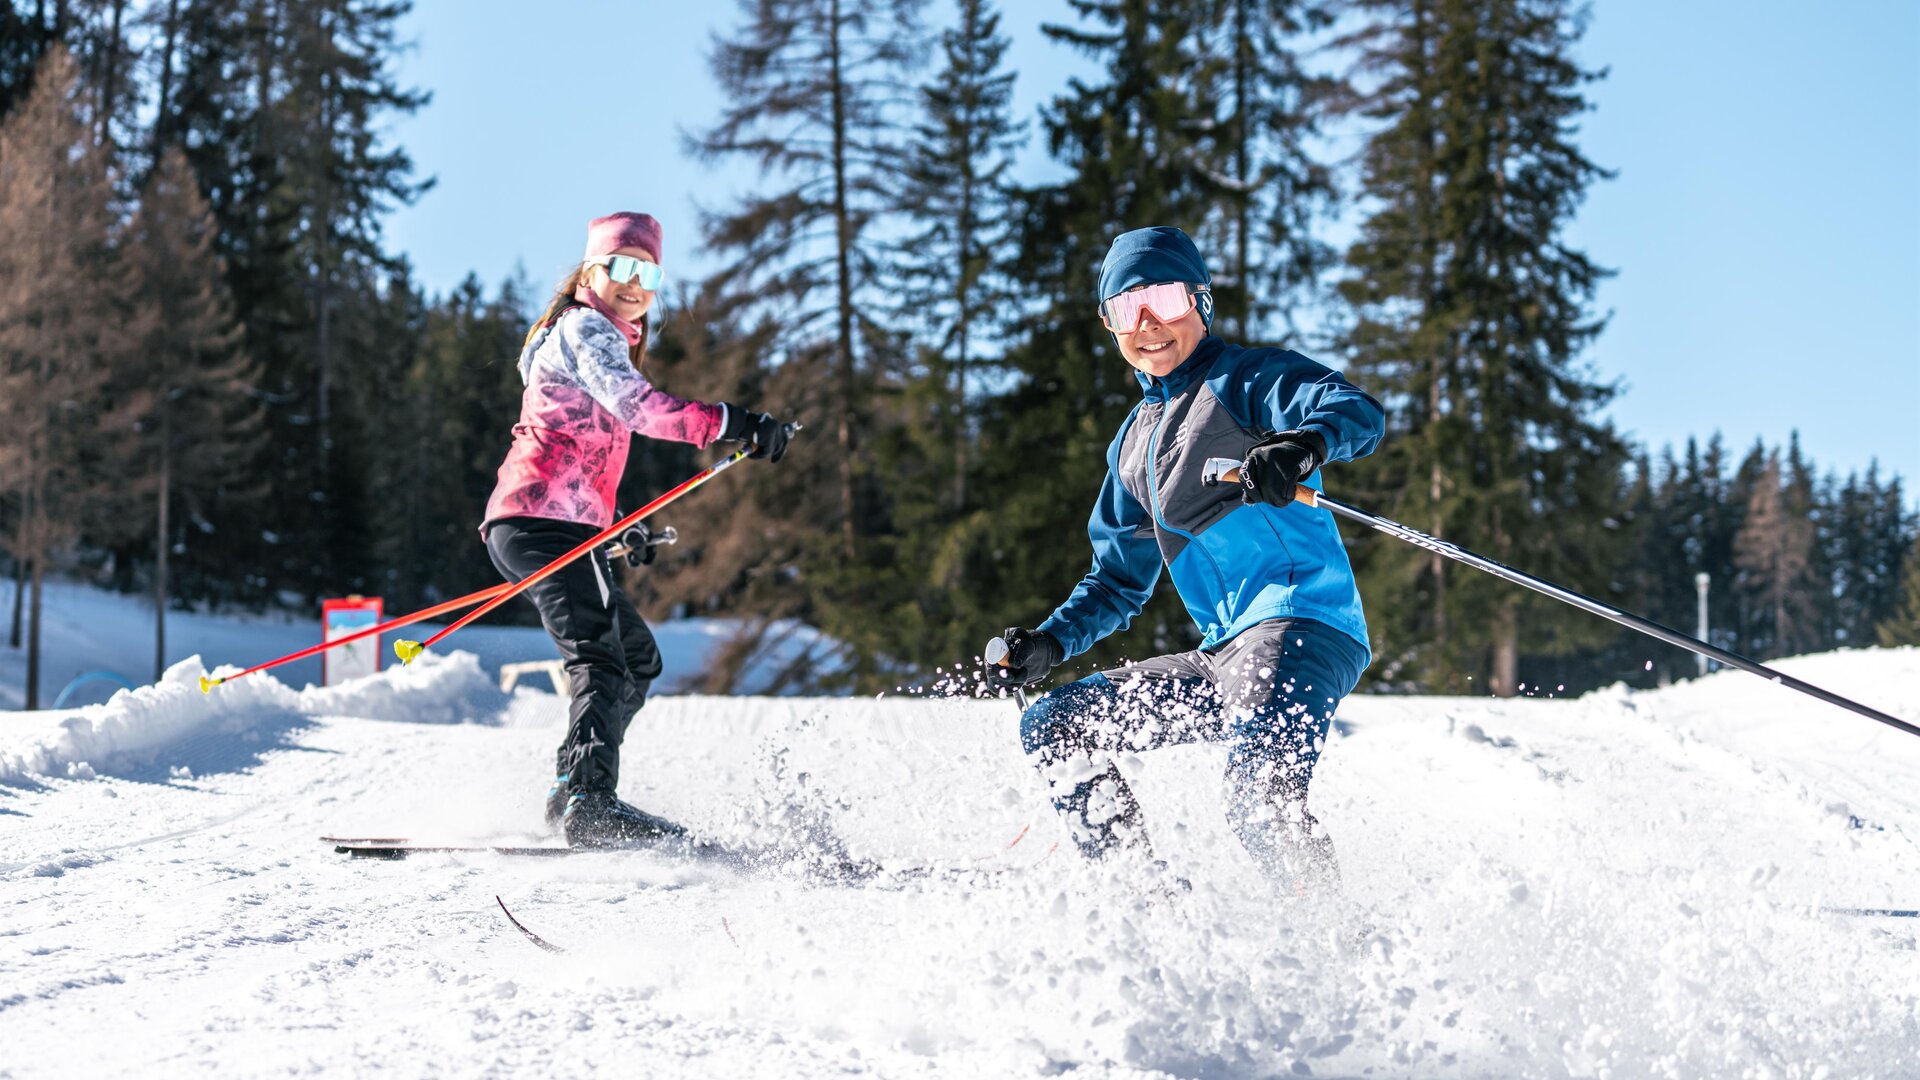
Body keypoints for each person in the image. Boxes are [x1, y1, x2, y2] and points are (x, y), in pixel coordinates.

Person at [988, 226, 1384, 896]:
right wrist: (1051, 641)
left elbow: (1354, 409)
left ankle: (1332, 943)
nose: (1147, 324)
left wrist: (1301, 447)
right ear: (1109, 325)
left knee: (1258, 801)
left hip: (1299, 627)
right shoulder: (1134, 445)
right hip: (1223, 656)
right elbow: (1117, 579)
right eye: (1125, 310)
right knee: (1051, 726)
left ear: (1200, 303)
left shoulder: (1246, 380)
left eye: (1165, 301)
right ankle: (1144, 901)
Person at [483, 212, 789, 847]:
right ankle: (591, 801)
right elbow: (639, 408)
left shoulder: (590, 334)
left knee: (638, 659)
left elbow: (581, 448)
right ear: (591, 271)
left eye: (647, 273)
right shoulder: (586, 328)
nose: (634, 282)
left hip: (558, 522)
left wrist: (617, 526)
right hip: (543, 520)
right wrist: (732, 421)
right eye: (620, 266)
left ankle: (573, 787)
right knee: (599, 657)